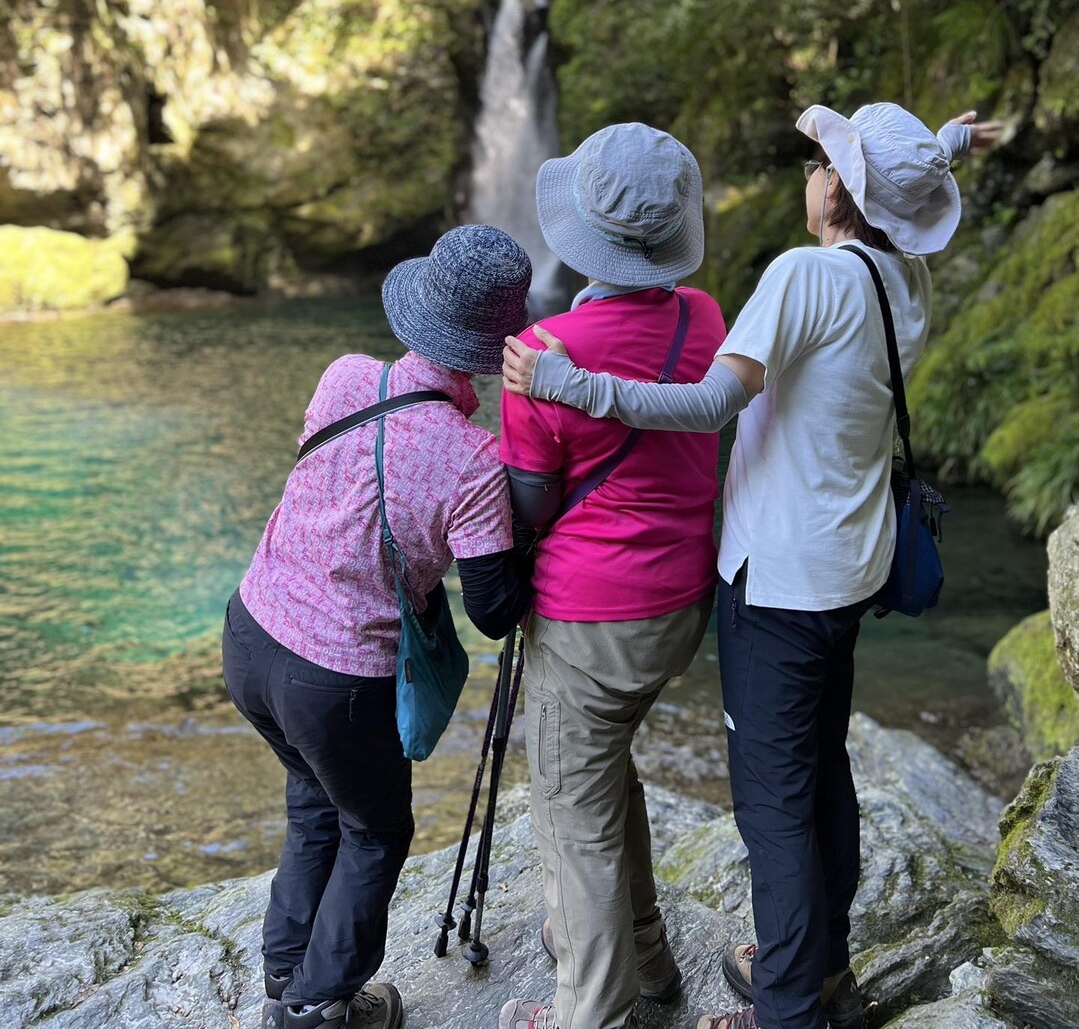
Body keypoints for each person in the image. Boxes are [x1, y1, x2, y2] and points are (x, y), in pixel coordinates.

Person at [503, 105, 1003, 1029]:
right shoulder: (905, 276)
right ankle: (815, 970)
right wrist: (940, 148)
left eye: (821, 163)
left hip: (775, 578)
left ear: (839, 191)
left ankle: (784, 1010)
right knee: (822, 773)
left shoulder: (802, 276)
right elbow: (896, 197)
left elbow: (704, 407)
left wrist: (569, 384)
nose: (808, 174)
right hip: (854, 566)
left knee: (771, 805)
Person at [222, 225, 534, 1029]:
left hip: (251, 630)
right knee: (377, 829)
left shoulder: (344, 375)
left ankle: (287, 972)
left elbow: (331, 487)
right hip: (335, 681)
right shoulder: (473, 459)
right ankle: (317, 1006)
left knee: (312, 798)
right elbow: (495, 611)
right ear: (495, 342)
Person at [495, 122, 729, 1029]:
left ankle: (593, 1009)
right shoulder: (703, 317)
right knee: (602, 771)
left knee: (571, 814)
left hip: (589, 616)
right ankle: (648, 957)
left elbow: (528, 505)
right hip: (680, 603)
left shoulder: (540, 353)